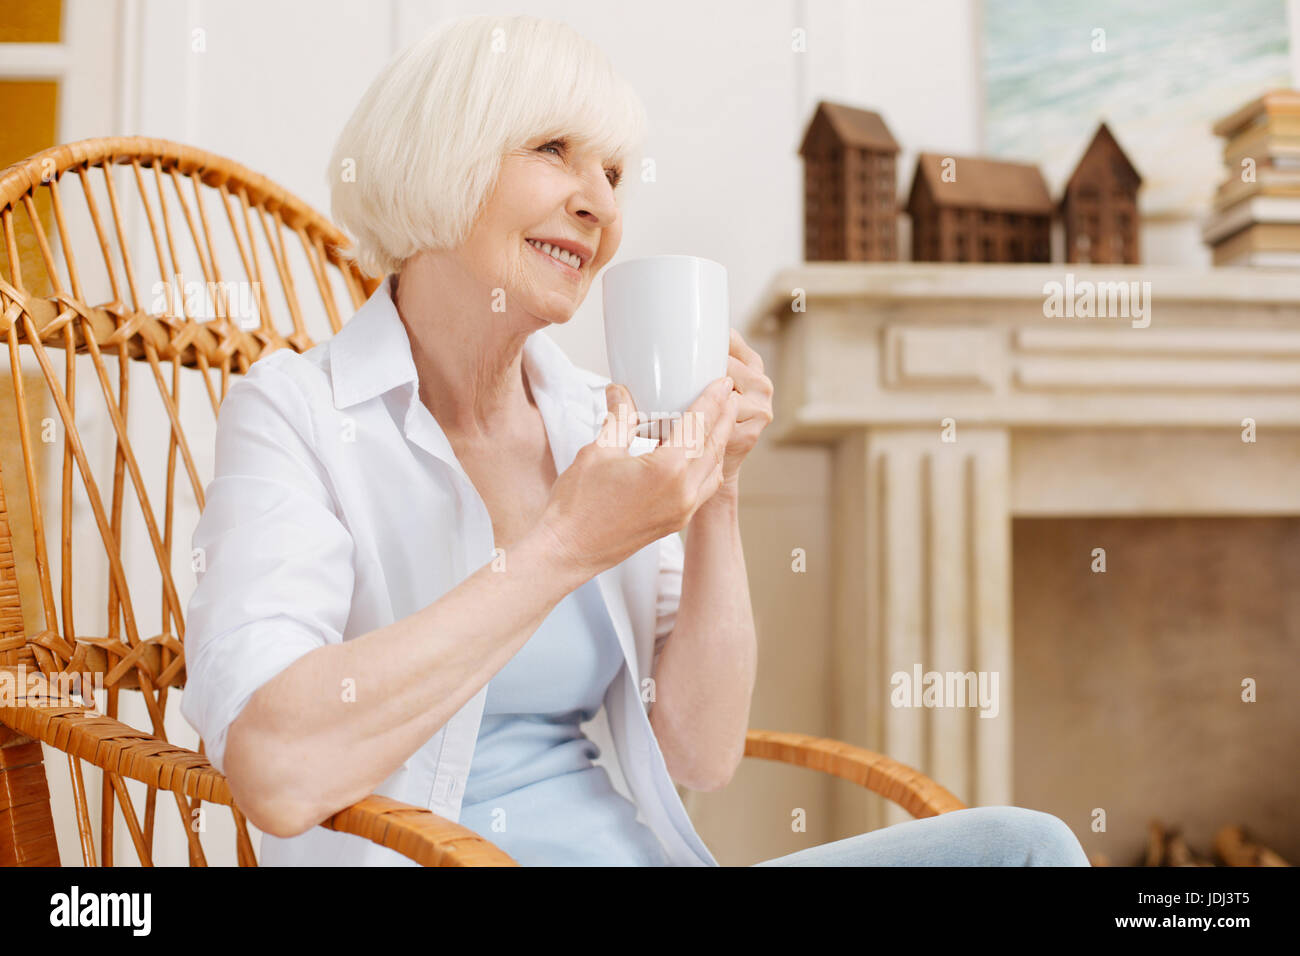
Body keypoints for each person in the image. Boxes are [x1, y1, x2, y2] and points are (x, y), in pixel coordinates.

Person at [180, 13, 1088, 867]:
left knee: (1027, 849)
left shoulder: (591, 420)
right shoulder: (298, 412)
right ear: (437, 158)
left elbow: (702, 751)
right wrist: (565, 545)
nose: (599, 204)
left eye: (614, 174)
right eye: (553, 151)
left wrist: (713, 494)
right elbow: (274, 766)